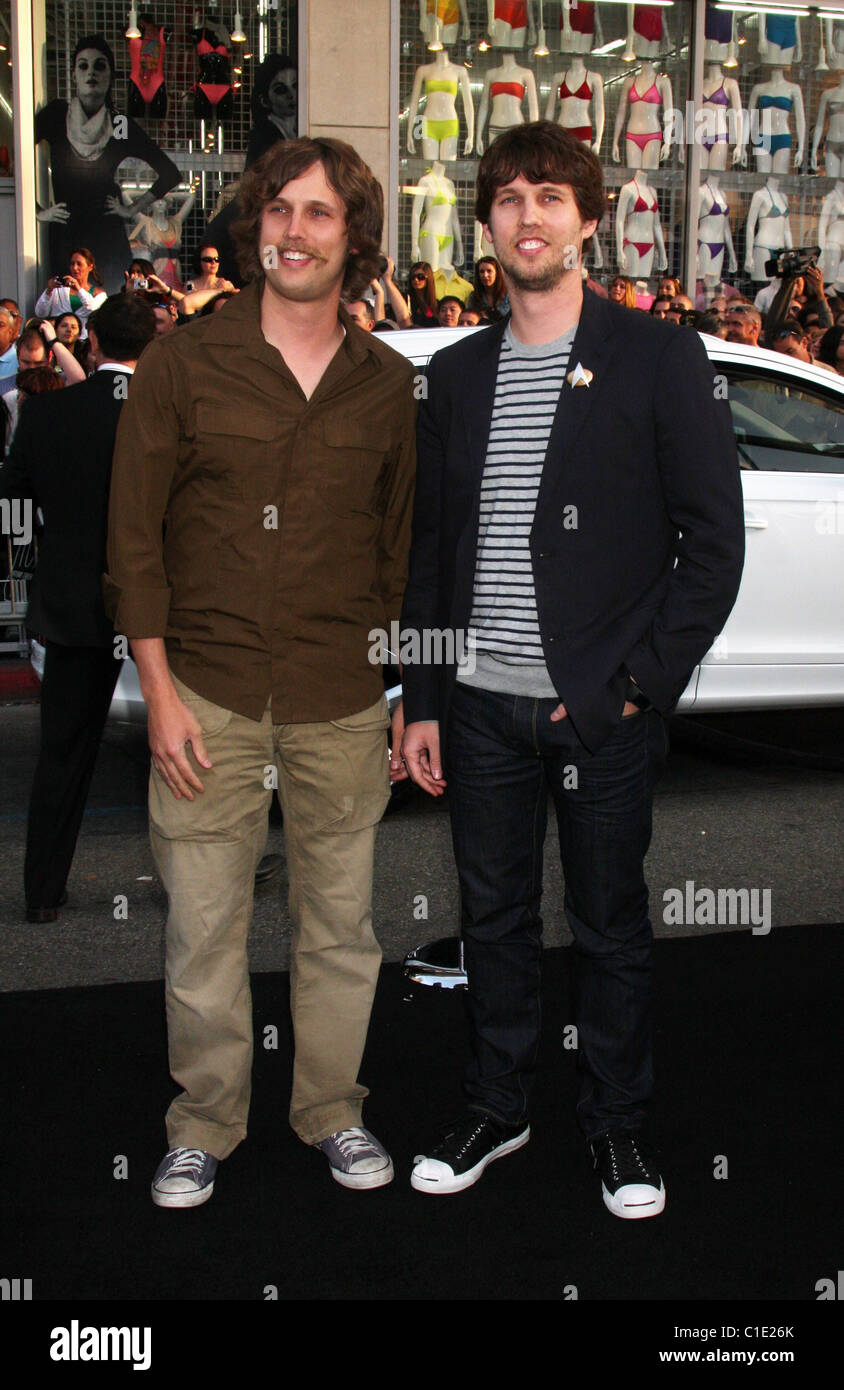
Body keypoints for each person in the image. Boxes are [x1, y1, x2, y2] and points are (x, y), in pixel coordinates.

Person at [400, 120, 745, 1218]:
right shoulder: (455, 374)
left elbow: (712, 546)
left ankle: (616, 1124)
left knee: (608, 926)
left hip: (599, 708)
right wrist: (422, 696)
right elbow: (431, 551)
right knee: (491, 920)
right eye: (507, 199)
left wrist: (636, 683)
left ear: (590, 220)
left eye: (550, 197)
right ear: (487, 224)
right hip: (480, 710)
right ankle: (497, 1105)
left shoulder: (656, 355)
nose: (528, 216)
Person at [104, 135, 417, 1210]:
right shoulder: (183, 362)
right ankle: (204, 1121)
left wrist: (402, 690)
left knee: (341, 928)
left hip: (339, 697)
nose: (293, 230)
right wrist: (156, 693)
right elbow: (133, 537)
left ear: (353, 238)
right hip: (207, 695)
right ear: (254, 225)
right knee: (203, 928)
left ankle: (332, 1108)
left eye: (319, 213)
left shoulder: (386, 386)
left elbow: (399, 552)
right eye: (279, 209)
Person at [0, 294, 156, 922]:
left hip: (72, 613)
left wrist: (33, 561)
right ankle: (204, 886)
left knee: (62, 758)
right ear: (154, 346)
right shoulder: (168, 415)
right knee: (190, 751)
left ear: (91, 341)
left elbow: (10, 510)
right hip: (162, 614)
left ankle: (42, 894)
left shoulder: (46, 417)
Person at [34, 35, 180, 293]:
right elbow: (18, 155)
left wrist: (131, 209)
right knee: (65, 310)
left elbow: (169, 173)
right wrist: (37, 211)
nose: (91, 72)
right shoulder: (56, 116)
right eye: (83, 65)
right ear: (73, 75)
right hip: (66, 235)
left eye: (99, 66)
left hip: (107, 239)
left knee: (110, 308)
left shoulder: (119, 123)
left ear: (110, 76)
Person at [468, 255, 510, 321]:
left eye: (489, 271)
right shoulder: (473, 297)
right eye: (482, 271)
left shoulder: (509, 295)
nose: (485, 275)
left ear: (497, 273)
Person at [406, 261, 438, 326]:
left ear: (428, 277)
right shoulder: (406, 299)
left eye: (420, 276)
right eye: (413, 277)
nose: (416, 280)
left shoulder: (437, 304)